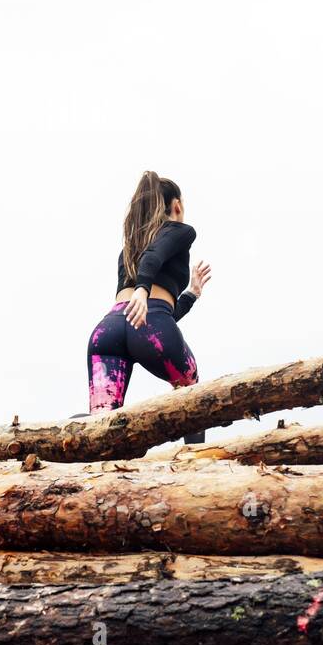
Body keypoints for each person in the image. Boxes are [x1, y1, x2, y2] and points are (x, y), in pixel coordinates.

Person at [84, 171, 211, 442]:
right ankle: (192, 463)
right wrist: (142, 289)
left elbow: (156, 315)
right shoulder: (180, 231)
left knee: (101, 424)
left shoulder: (129, 247)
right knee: (193, 393)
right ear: (177, 205)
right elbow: (152, 313)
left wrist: (191, 294)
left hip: (108, 331)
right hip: (149, 324)